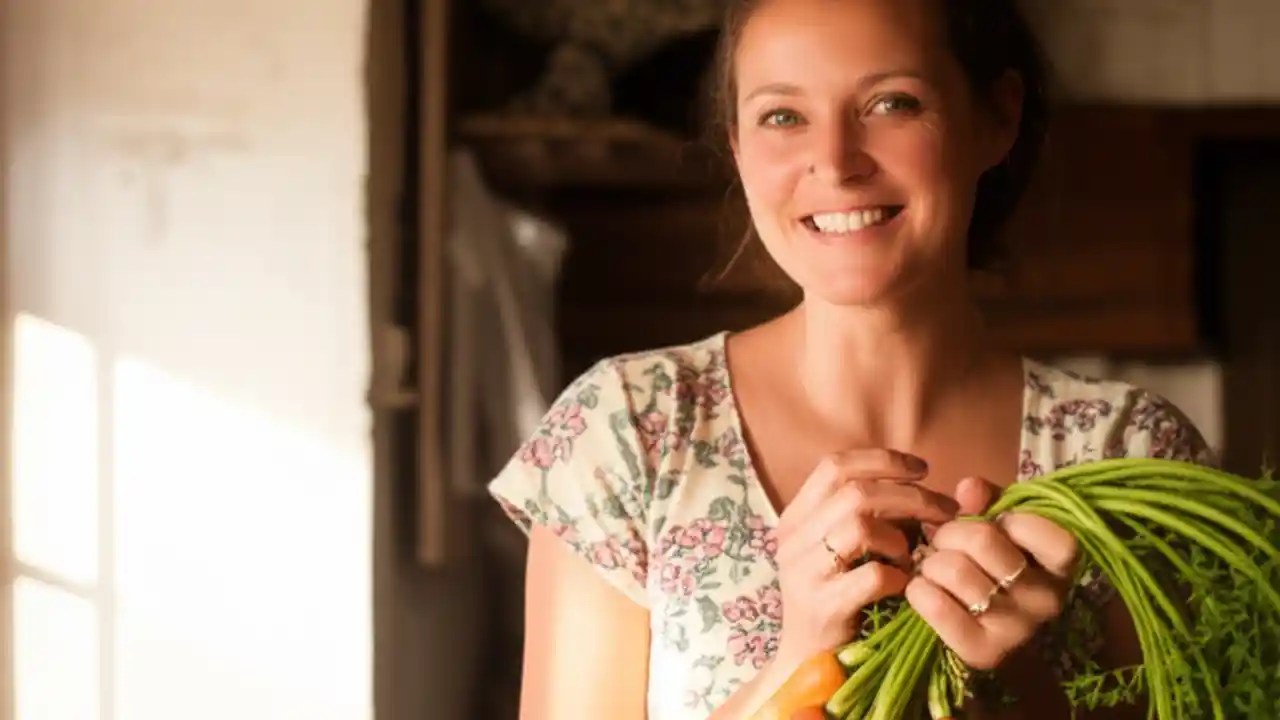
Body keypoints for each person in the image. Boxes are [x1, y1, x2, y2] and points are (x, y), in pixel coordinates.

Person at [487, 0, 1215, 718]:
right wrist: (798, 660)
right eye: (782, 116)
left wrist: (1017, 688)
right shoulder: (626, 431)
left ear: (996, 118)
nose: (834, 162)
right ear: (737, 145)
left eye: (892, 103)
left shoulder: (1133, 453)